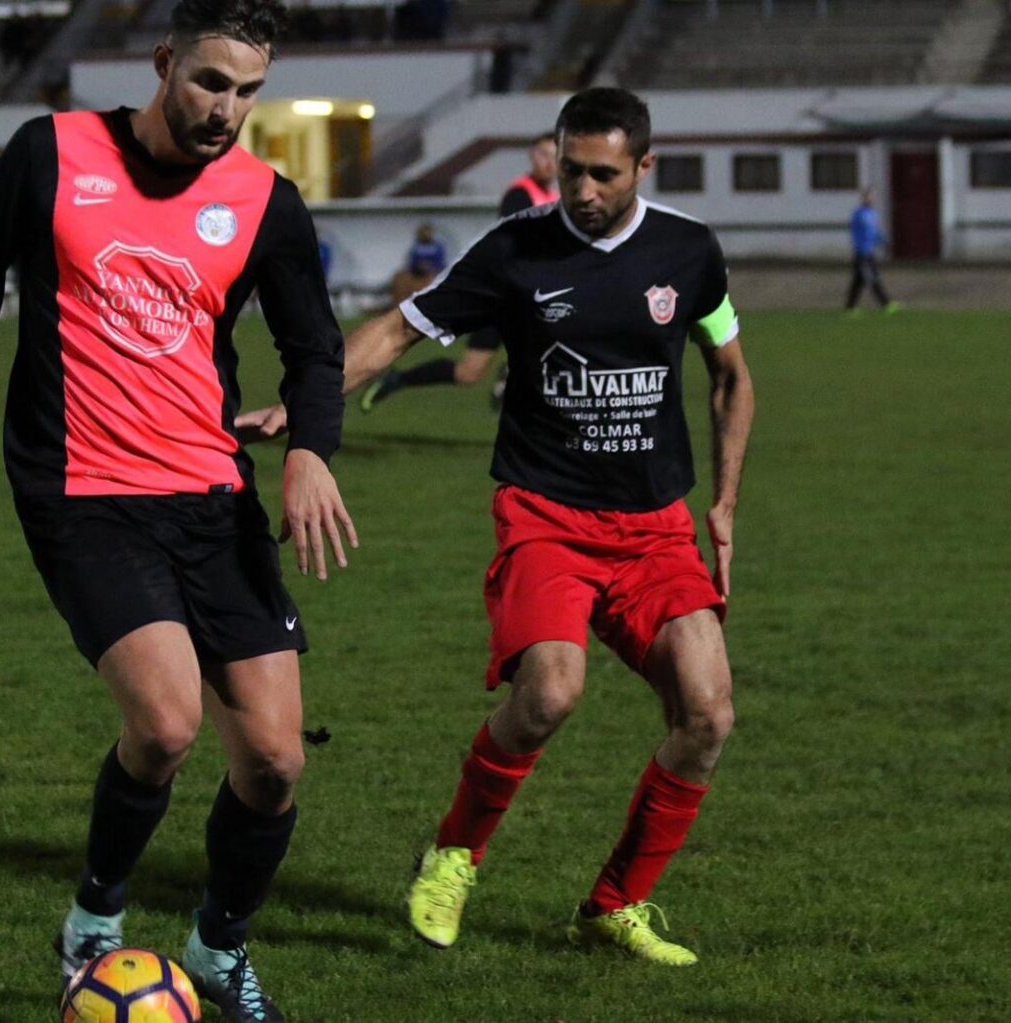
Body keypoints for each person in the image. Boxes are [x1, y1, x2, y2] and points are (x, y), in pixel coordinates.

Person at [0, 3, 354, 1020]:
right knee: (170, 724)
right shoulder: (52, 152)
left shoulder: (266, 199)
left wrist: (311, 450)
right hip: (83, 494)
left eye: (249, 91)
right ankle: (96, 918)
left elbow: (314, 349)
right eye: (212, 82)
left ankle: (219, 950)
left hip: (212, 494)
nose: (228, 109)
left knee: (273, 762)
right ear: (165, 62)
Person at [240, 87, 754, 966]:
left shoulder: (688, 252)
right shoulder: (516, 250)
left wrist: (724, 502)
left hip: (656, 527)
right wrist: (307, 403)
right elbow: (400, 331)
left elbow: (731, 373)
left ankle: (614, 905)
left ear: (643, 168)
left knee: (708, 715)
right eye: (569, 167)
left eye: (603, 173)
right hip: (546, 516)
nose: (581, 189)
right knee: (550, 693)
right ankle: (453, 854)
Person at [360, 133, 559, 412]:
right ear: (532, 156)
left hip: (528, 296)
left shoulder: (554, 197)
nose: (549, 163)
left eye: (554, 156)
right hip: (507, 296)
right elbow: (519, 244)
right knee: (470, 372)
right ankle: (399, 379)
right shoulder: (520, 194)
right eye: (543, 154)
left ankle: (512, 377)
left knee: (551, 349)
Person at [845, 186, 899, 314]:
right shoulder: (859, 214)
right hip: (862, 253)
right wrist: (860, 245)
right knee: (872, 278)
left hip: (869, 252)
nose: (872, 199)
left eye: (873, 196)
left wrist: (884, 242)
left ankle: (850, 307)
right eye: (869, 196)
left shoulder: (873, 214)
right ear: (864, 198)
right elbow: (860, 232)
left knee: (858, 281)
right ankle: (886, 304)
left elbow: (875, 232)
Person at [389, 222, 447, 306]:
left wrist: (430, 267)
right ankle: (399, 303)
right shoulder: (416, 246)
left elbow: (440, 262)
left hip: (433, 271)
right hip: (418, 272)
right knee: (400, 277)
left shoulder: (437, 246)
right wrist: (418, 266)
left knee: (432, 279)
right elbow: (412, 262)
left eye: (428, 232)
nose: (426, 234)